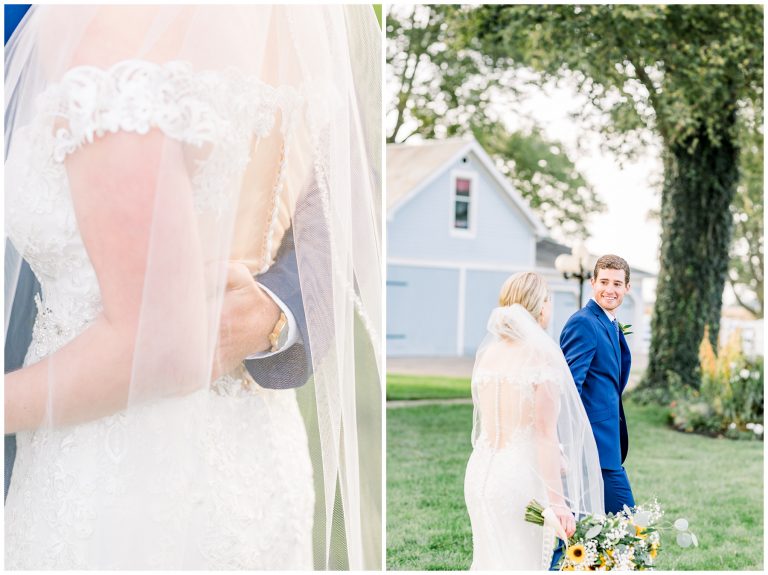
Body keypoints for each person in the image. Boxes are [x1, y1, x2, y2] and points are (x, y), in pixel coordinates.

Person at [4, 5, 381, 570]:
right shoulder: (287, 24)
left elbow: (158, 343)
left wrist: (275, 310)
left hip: (121, 469)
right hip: (256, 459)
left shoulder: (100, 22)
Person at [464, 272, 604, 570]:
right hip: (519, 479)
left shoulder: (489, 354)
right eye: (548, 300)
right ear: (540, 306)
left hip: (480, 474)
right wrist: (557, 502)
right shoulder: (542, 356)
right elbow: (544, 434)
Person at [551, 255, 634, 569]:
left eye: (616, 283)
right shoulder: (584, 322)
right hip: (590, 448)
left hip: (608, 446)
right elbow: (569, 387)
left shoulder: (611, 325)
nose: (609, 289)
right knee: (626, 529)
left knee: (587, 536)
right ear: (593, 283)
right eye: (603, 282)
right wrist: (571, 447)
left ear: (627, 287)